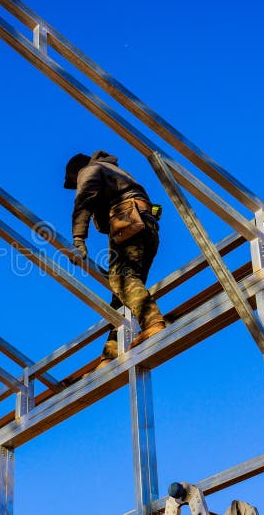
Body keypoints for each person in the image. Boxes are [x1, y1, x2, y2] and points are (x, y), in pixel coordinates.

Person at [65, 150, 166, 368]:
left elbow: (84, 201)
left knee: (122, 278)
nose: (76, 185)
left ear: (75, 174)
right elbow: (103, 222)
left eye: (74, 182)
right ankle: (111, 354)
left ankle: (153, 322)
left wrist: (78, 239)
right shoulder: (114, 171)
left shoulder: (89, 170)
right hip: (147, 225)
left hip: (128, 222)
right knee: (122, 294)